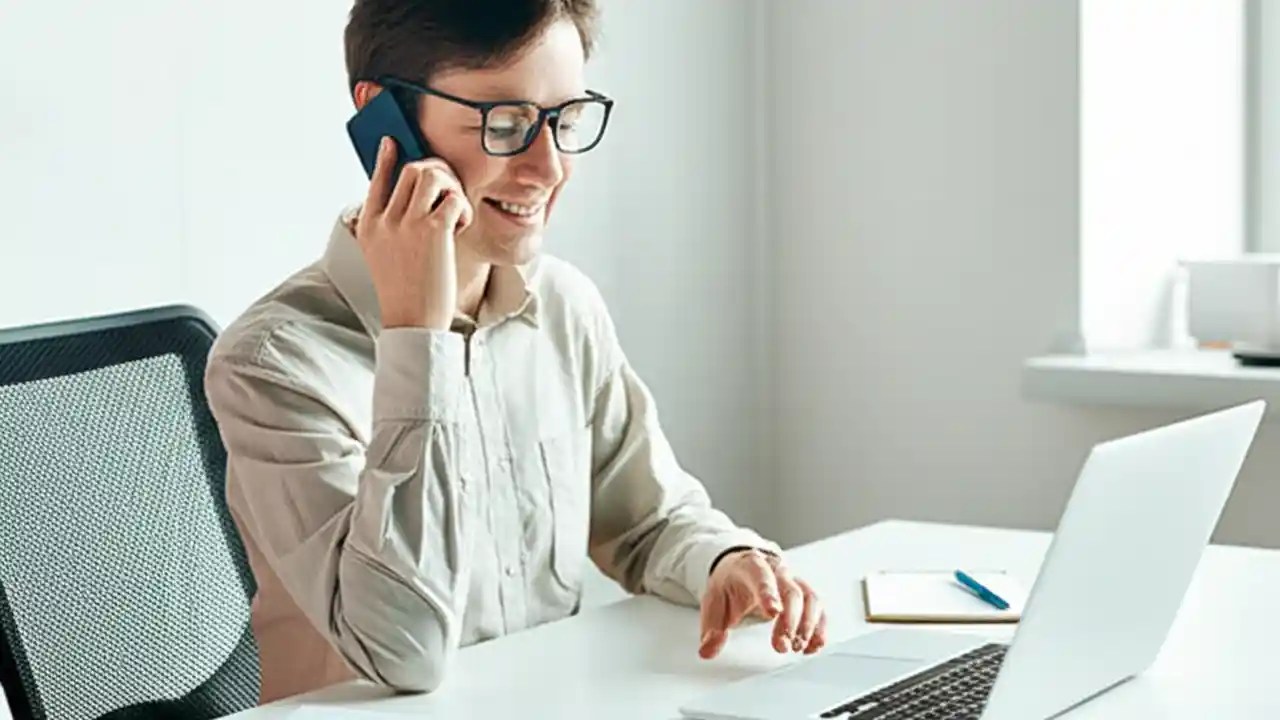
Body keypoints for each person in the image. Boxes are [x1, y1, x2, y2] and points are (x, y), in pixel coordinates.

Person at [204, 0, 826, 704]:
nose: (549, 167)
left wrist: (725, 559)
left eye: (564, 120)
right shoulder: (274, 363)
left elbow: (647, 519)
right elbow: (403, 651)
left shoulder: (562, 308)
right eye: (504, 125)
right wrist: (419, 339)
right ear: (386, 120)